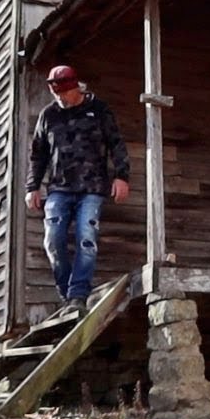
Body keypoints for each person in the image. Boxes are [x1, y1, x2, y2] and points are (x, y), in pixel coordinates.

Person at [25, 65, 131, 315]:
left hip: (92, 188)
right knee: (53, 240)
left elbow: (117, 144)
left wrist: (121, 177)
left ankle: (78, 296)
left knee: (86, 238)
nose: (60, 97)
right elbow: (37, 155)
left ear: (76, 88)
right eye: (55, 93)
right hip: (59, 189)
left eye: (64, 92)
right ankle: (67, 294)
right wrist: (32, 187)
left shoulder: (98, 109)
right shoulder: (48, 115)